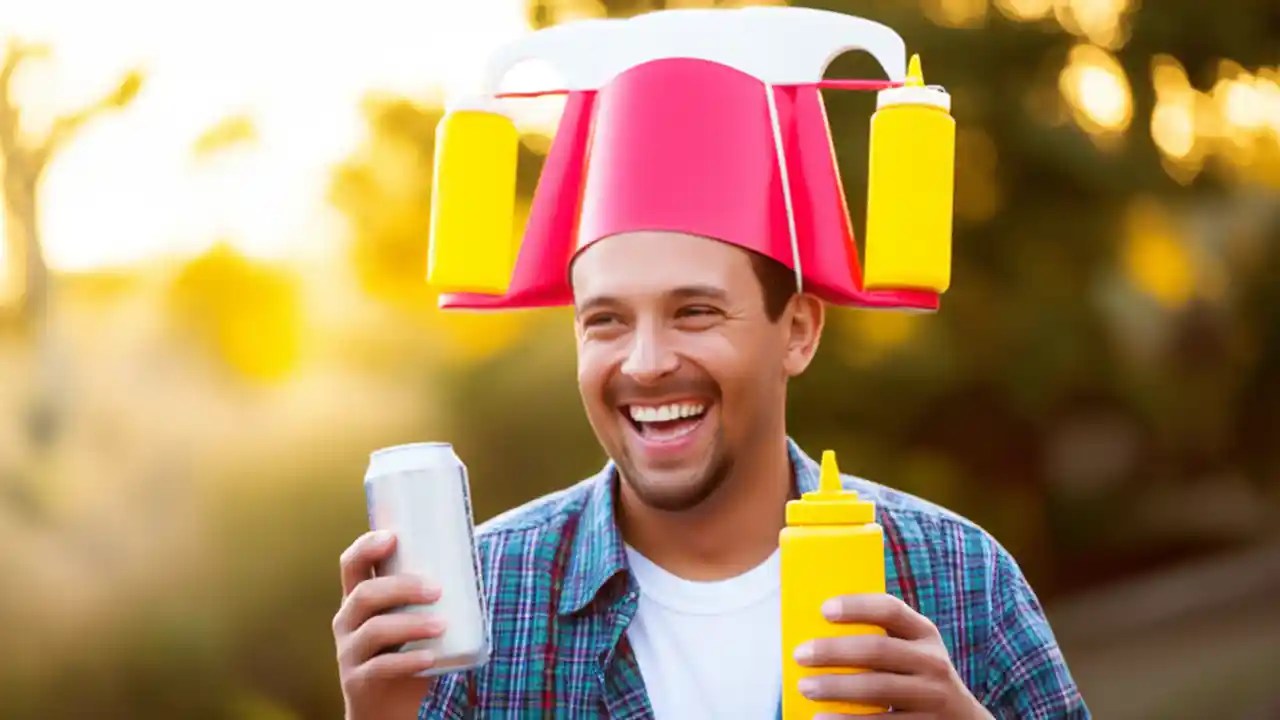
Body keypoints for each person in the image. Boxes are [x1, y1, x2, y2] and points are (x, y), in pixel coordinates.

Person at [332, 8, 1089, 719]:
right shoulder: (484, 603)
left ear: (797, 331)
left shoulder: (958, 578)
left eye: (694, 311)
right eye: (606, 321)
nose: (646, 363)